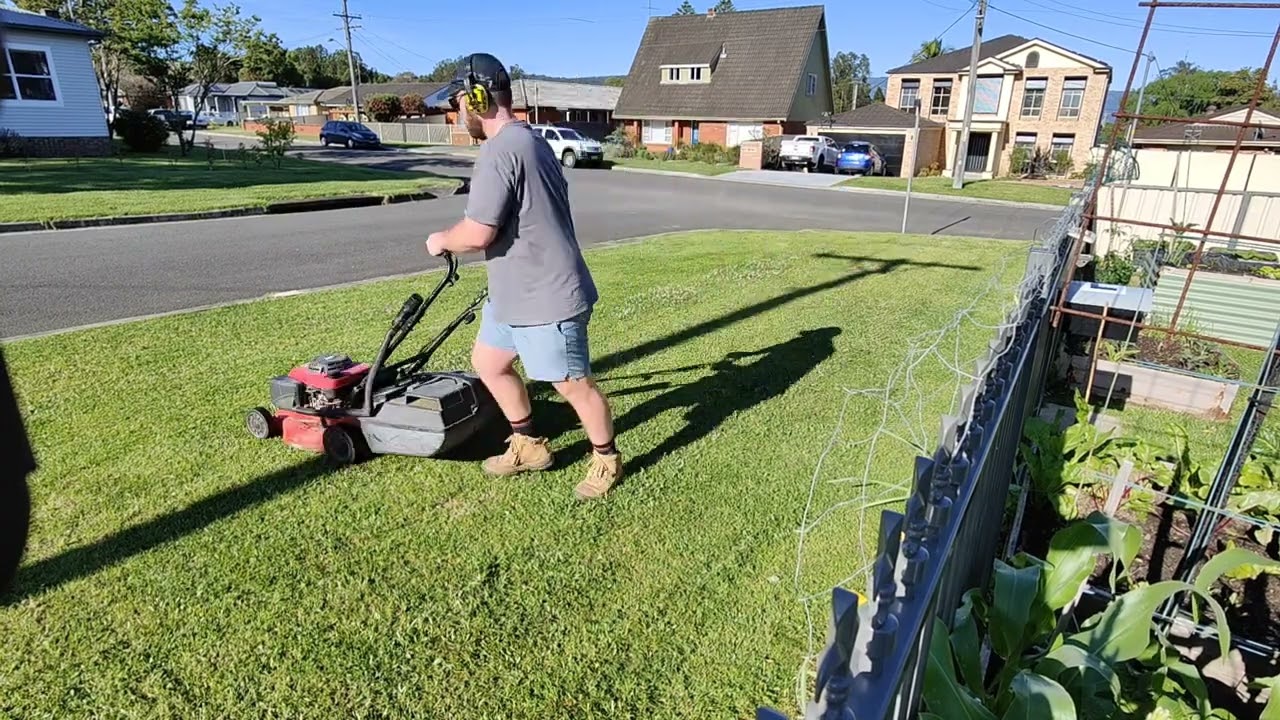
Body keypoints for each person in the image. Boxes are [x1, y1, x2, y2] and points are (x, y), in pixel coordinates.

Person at [425, 52, 622, 501]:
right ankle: (529, 445)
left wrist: (441, 239)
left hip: (546, 294)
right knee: (489, 362)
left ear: (476, 99)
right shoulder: (529, 141)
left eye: (458, 103)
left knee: (573, 385)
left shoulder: (500, 150)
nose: (458, 115)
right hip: (513, 292)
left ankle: (607, 459)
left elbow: (478, 232)